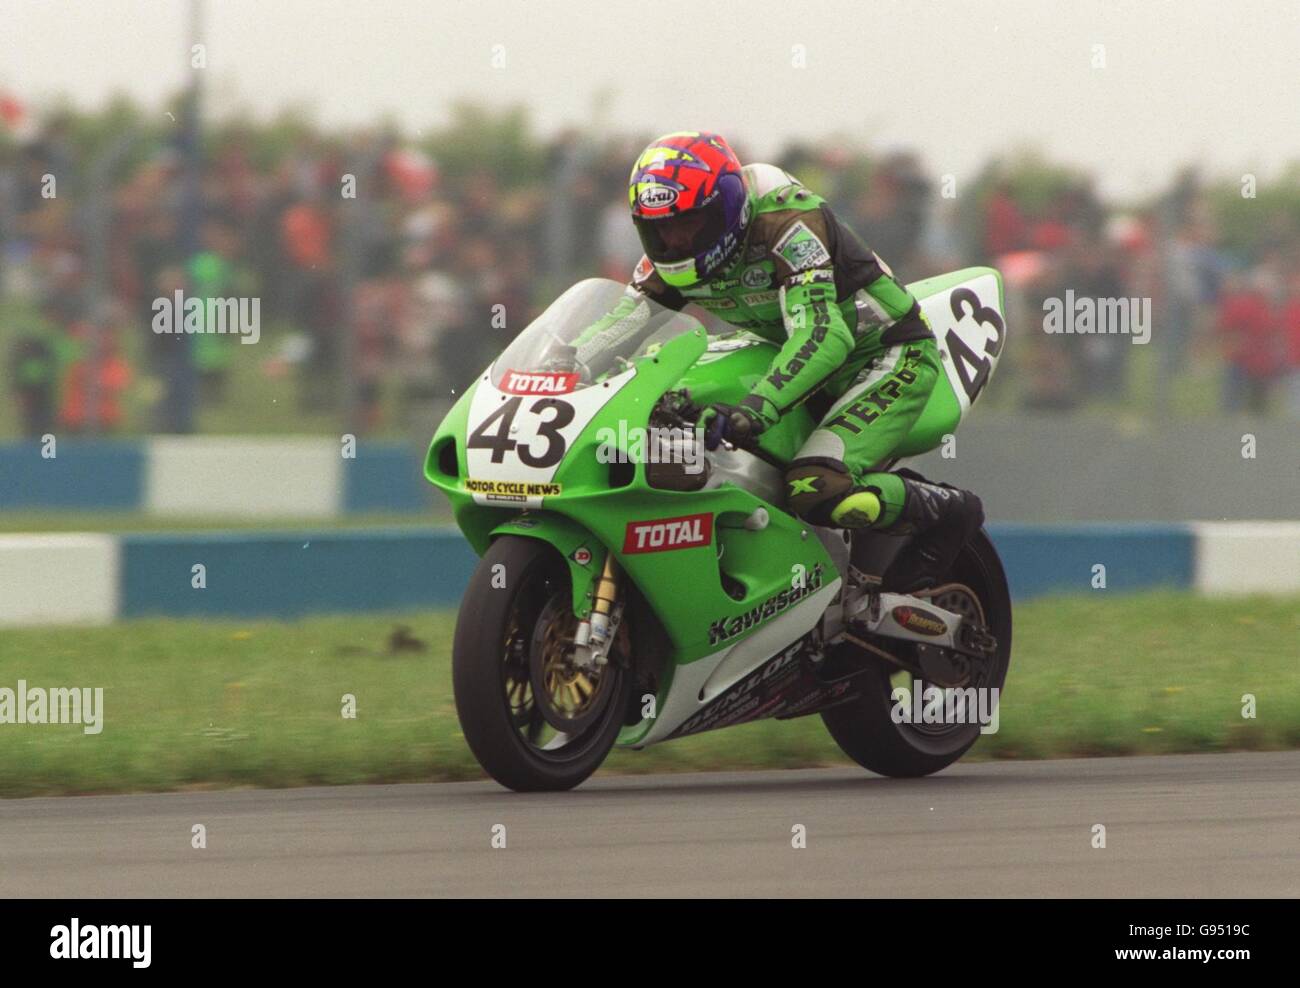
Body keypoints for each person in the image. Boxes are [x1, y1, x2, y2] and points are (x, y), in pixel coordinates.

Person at [603, 131, 984, 590]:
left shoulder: (787, 222)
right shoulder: (668, 262)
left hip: (881, 356)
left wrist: (754, 410)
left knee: (815, 487)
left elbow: (823, 334)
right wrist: (555, 368)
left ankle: (949, 509)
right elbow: (619, 325)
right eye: (660, 228)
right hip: (793, 360)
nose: (676, 239)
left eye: (689, 223)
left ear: (727, 207)